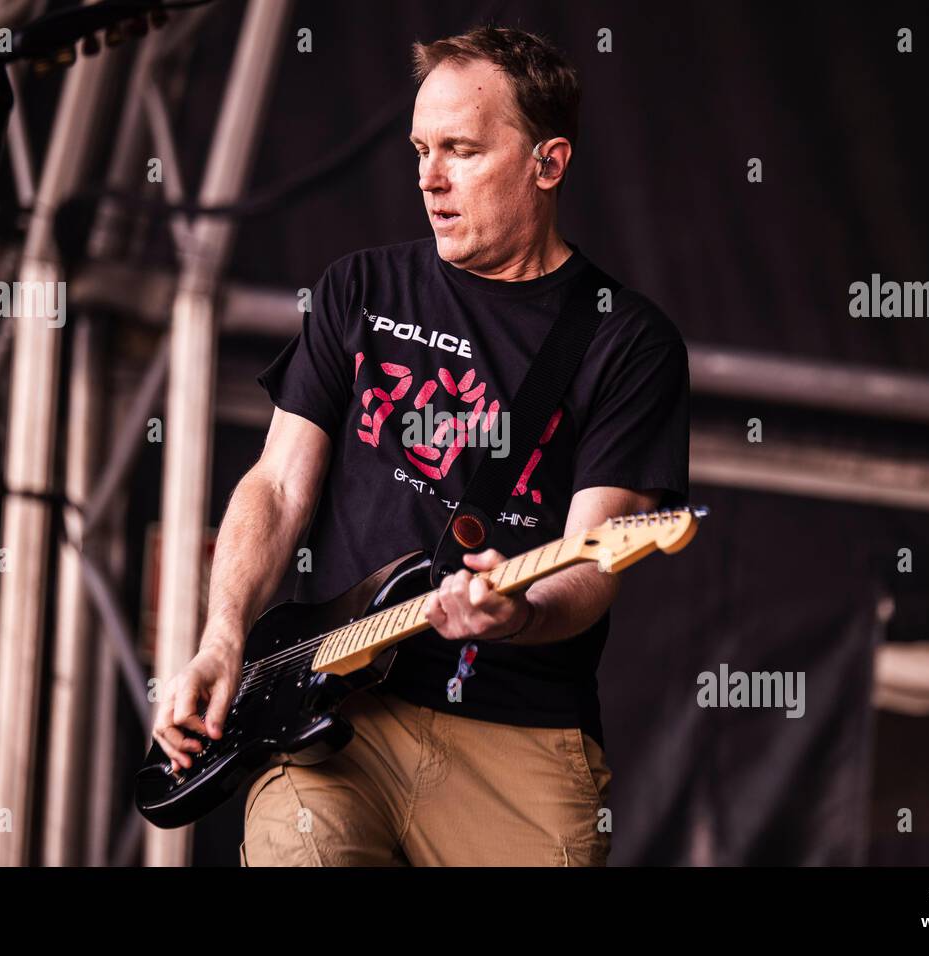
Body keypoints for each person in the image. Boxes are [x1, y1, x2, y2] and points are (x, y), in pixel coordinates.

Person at [152, 24, 690, 866]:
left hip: (524, 743)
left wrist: (516, 614)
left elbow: (593, 563)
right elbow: (277, 486)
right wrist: (222, 635)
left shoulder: (629, 343)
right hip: (334, 722)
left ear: (548, 164)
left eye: (462, 152)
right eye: (420, 150)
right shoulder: (359, 289)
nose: (430, 180)